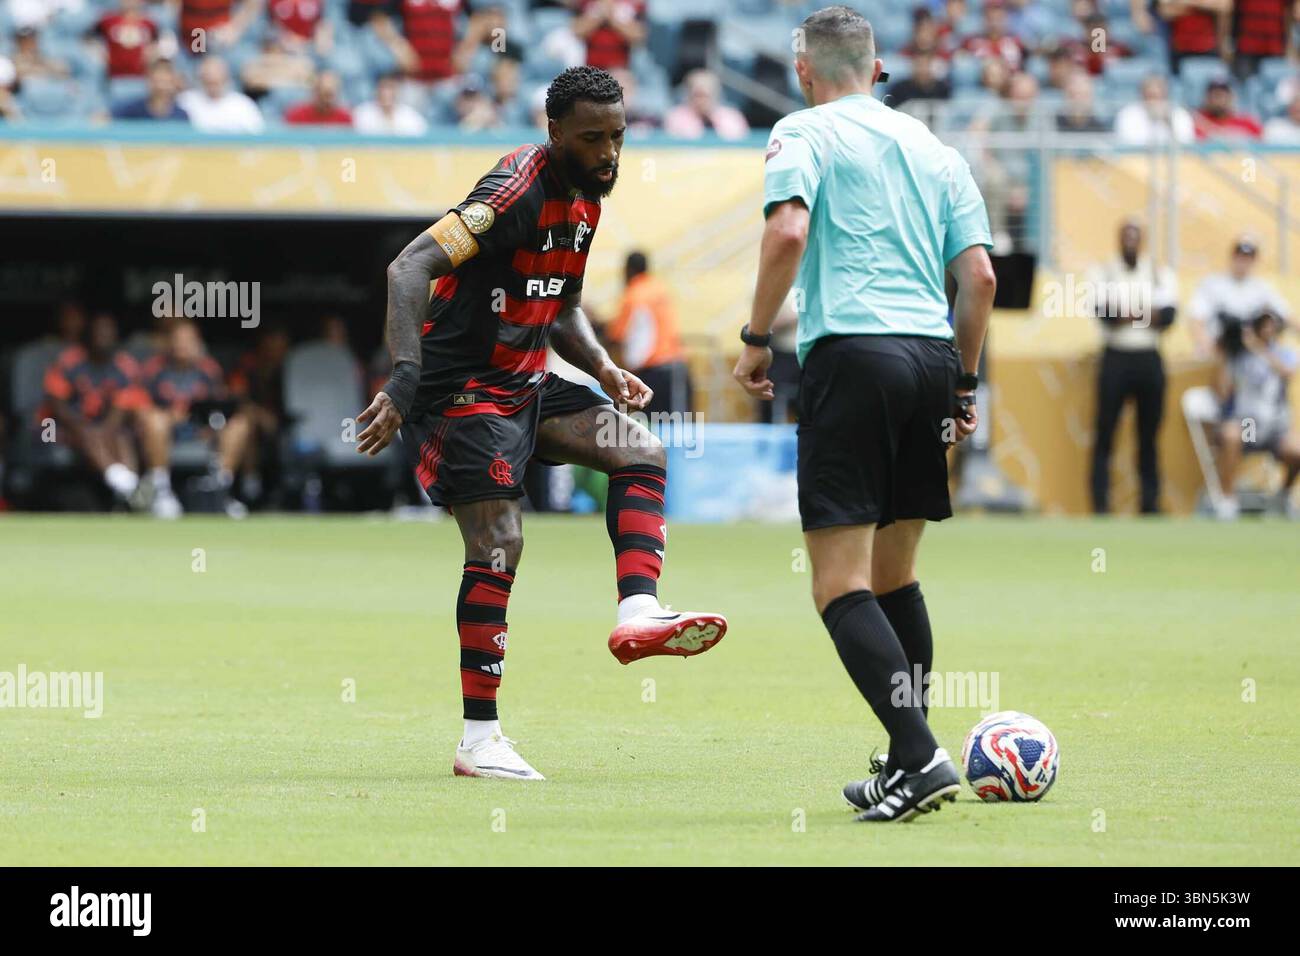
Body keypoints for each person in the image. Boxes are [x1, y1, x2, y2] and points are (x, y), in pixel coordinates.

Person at [354, 66, 727, 781]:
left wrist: (604, 367)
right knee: (501, 540)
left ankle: (638, 611)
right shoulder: (514, 192)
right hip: (461, 390)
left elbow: (560, 304)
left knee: (640, 450)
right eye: (592, 139)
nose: (609, 152)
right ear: (554, 133)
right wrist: (403, 382)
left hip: (526, 382)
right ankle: (478, 739)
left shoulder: (587, 196)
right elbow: (409, 270)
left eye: (617, 136)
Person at [733, 6, 995, 822]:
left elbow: (786, 233)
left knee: (838, 582)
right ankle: (901, 754)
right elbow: (980, 278)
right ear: (876, 68)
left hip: (852, 353)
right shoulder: (935, 149)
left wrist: (753, 339)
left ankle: (918, 756)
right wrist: (964, 386)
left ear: (803, 69)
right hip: (930, 360)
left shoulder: (803, 132)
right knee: (896, 576)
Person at [1087, 219, 1178, 514]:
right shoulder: (1104, 271)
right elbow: (1105, 313)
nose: (1130, 241)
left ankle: (1149, 504)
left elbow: (1167, 316)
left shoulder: (1157, 272)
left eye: (1135, 236)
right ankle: (1100, 504)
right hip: (1116, 356)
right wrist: (1144, 313)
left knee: (1148, 434)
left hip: (1148, 357)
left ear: (1143, 240)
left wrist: (1128, 312)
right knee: (1105, 432)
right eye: (1125, 236)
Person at [137, 320, 252, 518]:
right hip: (165, 433)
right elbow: (140, 408)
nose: (182, 345)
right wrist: (171, 418)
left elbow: (218, 406)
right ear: (169, 343)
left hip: (200, 432)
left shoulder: (208, 370)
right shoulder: (154, 369)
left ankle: (221, 492)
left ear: (198, 343)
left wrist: (209, 426)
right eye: (178, 340)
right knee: (154, 420)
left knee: (239, 425)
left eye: (188, 340)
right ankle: (162, 493)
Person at [42, 313, 149, 508]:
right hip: (52, 428)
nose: (103, 338)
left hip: (104, 428)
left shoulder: (125, 365)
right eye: (98, 333)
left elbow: (121, 409)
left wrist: (102, 430)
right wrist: (83, 427)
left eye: (108, 334)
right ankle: (126, 485)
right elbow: (57, 405)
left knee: (122, 436)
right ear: (88, 336)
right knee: (86, 432)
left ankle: (128, 487)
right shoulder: (69, 361)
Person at [1214, 310, 1300, 516]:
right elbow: (1222, 391)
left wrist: (1258, 348)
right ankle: (1227, 499)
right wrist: (1225, 355)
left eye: (1271, 325)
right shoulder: (1239, 356)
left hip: (1275, 427)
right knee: (1232, 435)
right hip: (1249, 425)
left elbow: (1287, 372)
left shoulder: (1284, 353)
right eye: (1263, 325)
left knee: (1296, 449)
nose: (1267, 330)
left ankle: (1283, 495)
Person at [603, 251, 692, 416]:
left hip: (654, 374)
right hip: (679, 368)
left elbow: (615, 335)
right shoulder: (660, 289)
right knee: (678, 433)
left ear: (628, 270)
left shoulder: (634, 294)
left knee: (649, 432)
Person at [178, 55, 265, 133]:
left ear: (226, 77)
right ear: (200, 78)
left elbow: (257, 135)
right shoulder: (186, 101)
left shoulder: (242, 104)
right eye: (207, 78)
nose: (212, 80)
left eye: (216, 79)